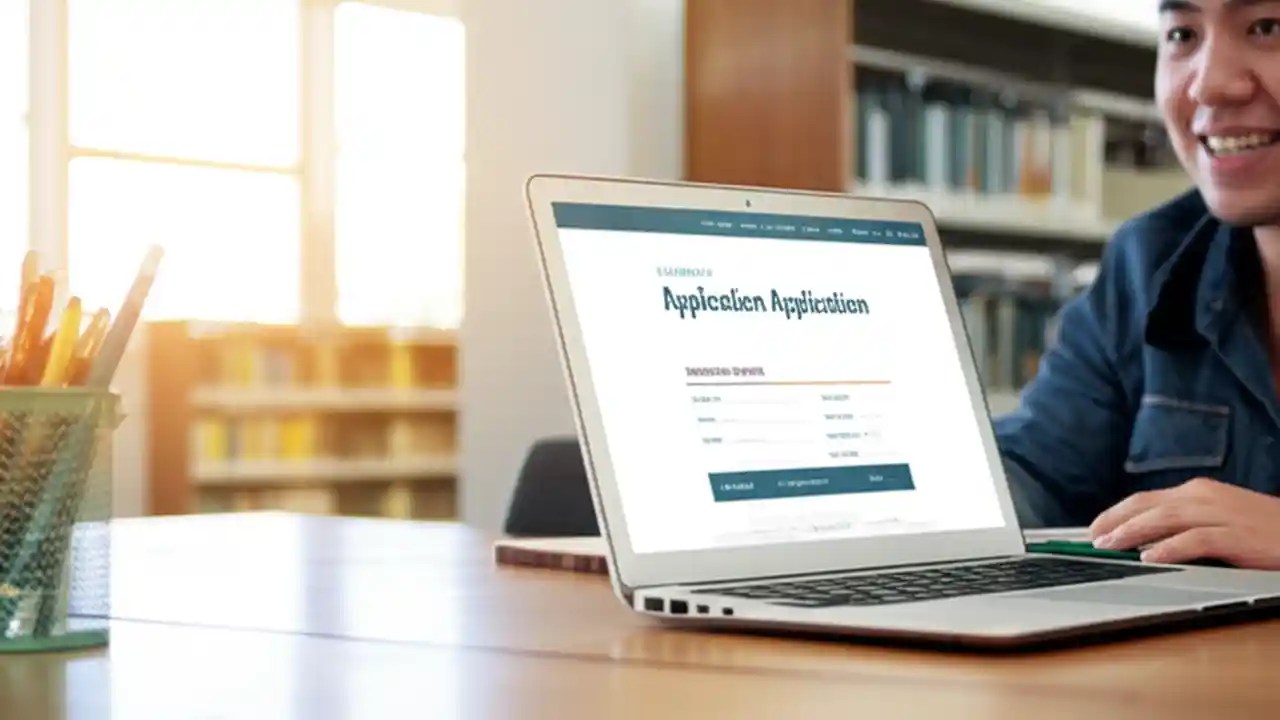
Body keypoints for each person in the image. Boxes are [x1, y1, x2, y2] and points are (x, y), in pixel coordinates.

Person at [995, 0, 1280, 570]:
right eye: (1182, 34)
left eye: (1267, 27)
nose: (1209, 85)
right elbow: (1035, 471)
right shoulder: (1147, 263)